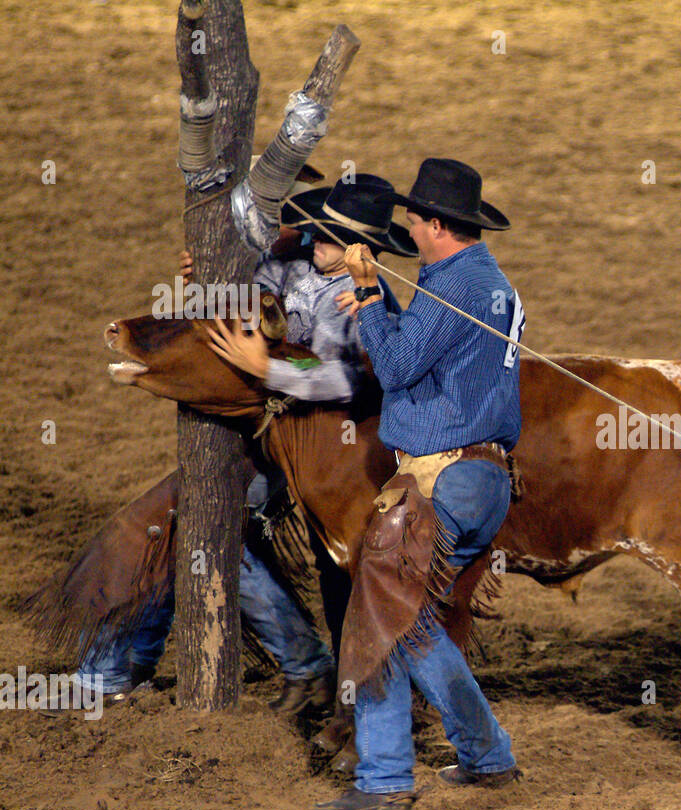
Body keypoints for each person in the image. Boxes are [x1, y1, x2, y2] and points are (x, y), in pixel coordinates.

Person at [42, 176, 415, 718]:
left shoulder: (366, 302)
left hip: (306, 446)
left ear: (365, 250)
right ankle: (122, 665)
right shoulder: (291, 262)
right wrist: (209, 277)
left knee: (200, 528)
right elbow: (234, 302)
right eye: (319, 231)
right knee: (182, 523)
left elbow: (347, 377)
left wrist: (270, 368)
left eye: (332, 237)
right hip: (256, 429)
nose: (319, 241)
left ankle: (295, 663)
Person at [308, 158, 523, 810]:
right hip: (484, 478)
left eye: (412, 219)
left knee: (378, 611)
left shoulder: (455, 285)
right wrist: (384, 305)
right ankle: (485, 754)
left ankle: (384, 780)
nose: (407, 228)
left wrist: (370, 301)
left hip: (443, 476)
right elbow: (431, 357)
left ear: (434, 225)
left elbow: (399, 366)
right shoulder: (492, 284)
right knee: (411, 619)